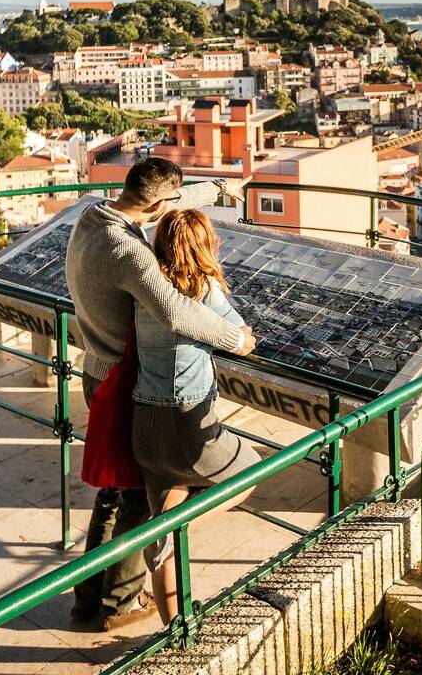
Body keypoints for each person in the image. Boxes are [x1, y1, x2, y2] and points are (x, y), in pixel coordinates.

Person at [65, 158, 255, 632]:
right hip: (123, 382)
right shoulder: (128, 251)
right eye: (171, 201)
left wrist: (216, 188)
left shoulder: (93, 213)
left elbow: (164, 205)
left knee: (114, 494)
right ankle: (119, 603)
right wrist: (236, 341)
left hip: (97, 368)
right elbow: (174, 311)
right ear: (156, 203)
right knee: (134, 503)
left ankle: (88, 598)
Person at [133, 207, 262, 625]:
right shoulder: (202, 288)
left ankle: (173, 631)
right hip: (188, 420)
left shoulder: (145, 288)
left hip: (143, 421)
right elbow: (242, 338)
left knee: (161, 520)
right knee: (249, 472)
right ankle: (178, 529)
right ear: (204, 246)